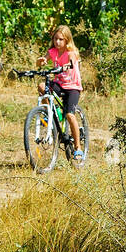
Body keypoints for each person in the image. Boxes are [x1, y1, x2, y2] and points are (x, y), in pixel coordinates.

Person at [37, 25, 84, 162]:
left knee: (70, 115)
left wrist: (65, 66)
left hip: (72, 87)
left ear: (67, 40)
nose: (57, 42)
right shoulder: (52, 51)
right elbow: (42, 61)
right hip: (59, 84)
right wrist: (41, 61)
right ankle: (51, 112)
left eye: (61, 40)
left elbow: (71, 62)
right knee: (42, 86)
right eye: (55, 39)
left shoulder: (71, 52)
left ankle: (78, 147)